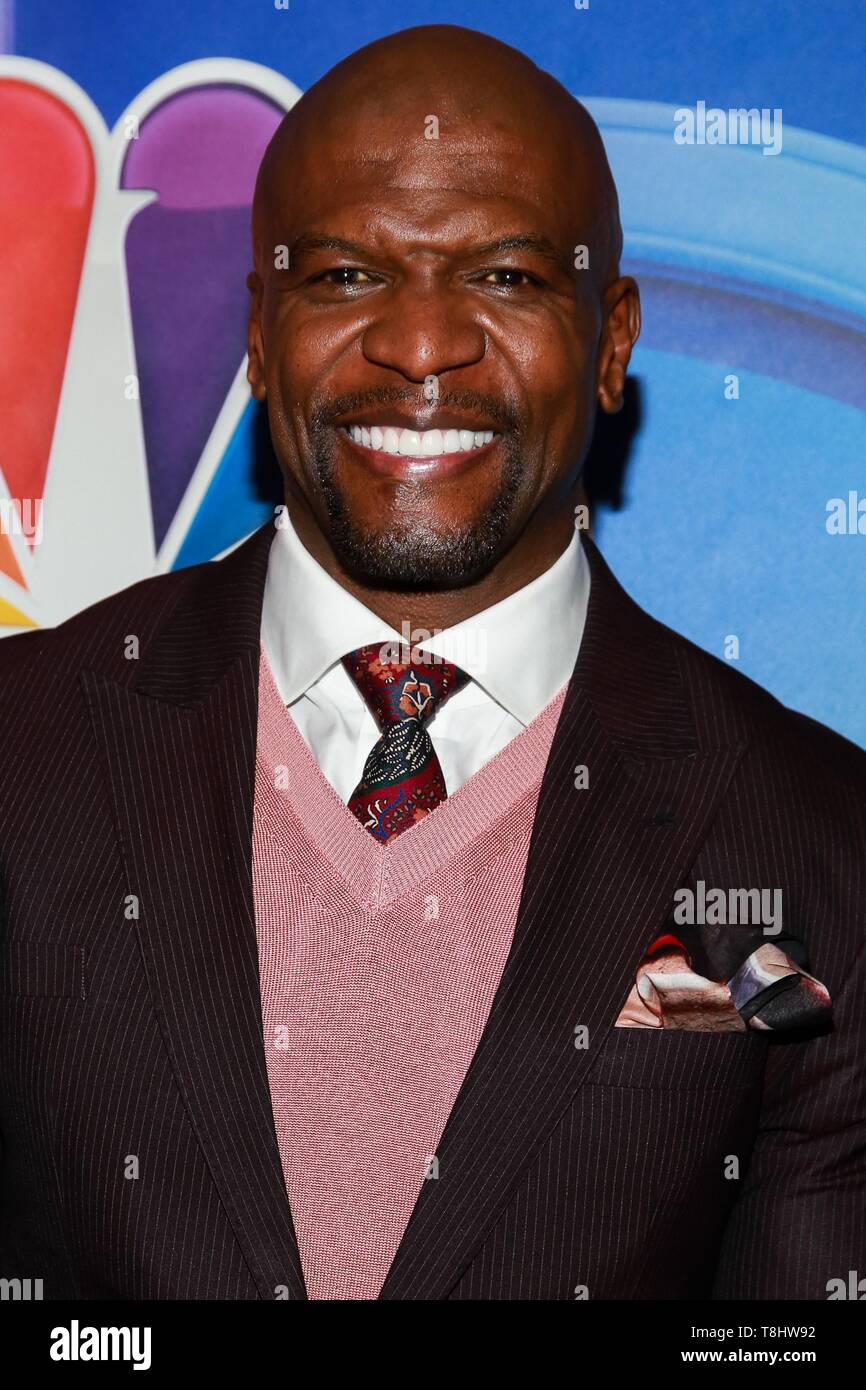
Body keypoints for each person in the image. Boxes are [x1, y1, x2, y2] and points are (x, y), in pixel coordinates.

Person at [0, 24, 863, 1302]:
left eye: (506, 278)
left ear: (610, 339)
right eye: (345, 276)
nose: (418, 345)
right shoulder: (21, 756)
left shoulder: (819, 838)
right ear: (258, 332)